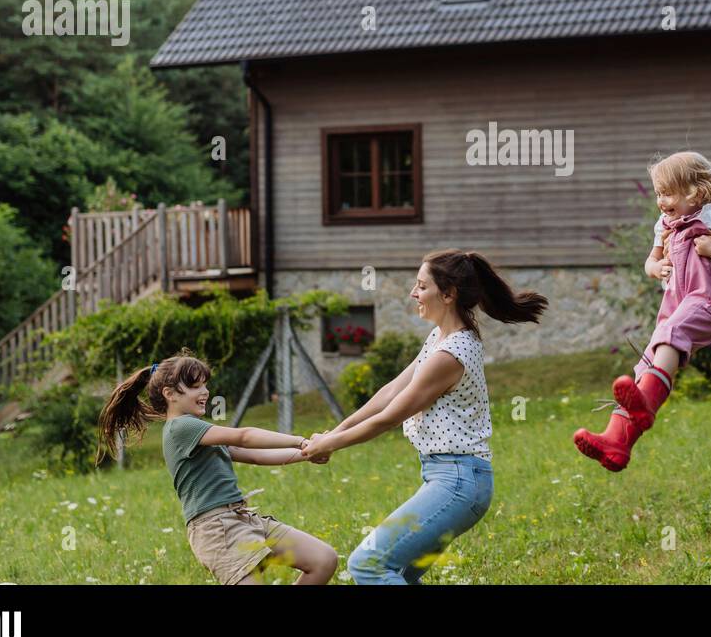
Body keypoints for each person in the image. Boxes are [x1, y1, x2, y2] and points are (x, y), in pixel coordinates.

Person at [300, 249, 547, 584]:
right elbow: (390, 391)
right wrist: (334, 432)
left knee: (368, 563)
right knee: (398, 571)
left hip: (459, 482)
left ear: (448, 294)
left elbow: (389, 416)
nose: (412, 293)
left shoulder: (450, 354)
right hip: (449, 478)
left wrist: (331, 444)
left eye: (421, 286)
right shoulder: (440, 339)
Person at [574, 151, 711, 472]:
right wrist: (656, 266)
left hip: (706, 303)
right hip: (674, 305)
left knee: (669, 336)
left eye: (668, 192)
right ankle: (616, 442)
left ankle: (646, 403)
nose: (661, 200)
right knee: (645, 367)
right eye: (658, 193)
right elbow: (650, 261)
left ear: (696, 192)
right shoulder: (665, 224)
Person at [96, 349, 338, 585]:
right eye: (195, 386)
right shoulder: (181, 428)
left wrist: (307, 453)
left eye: (205, 385)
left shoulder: (198, 431)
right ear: (170, 394)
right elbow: (244, 436)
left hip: (241, 518)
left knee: (323, 559)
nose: (205, 392)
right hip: (216, 529)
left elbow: (253, 455)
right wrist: (301, 440)